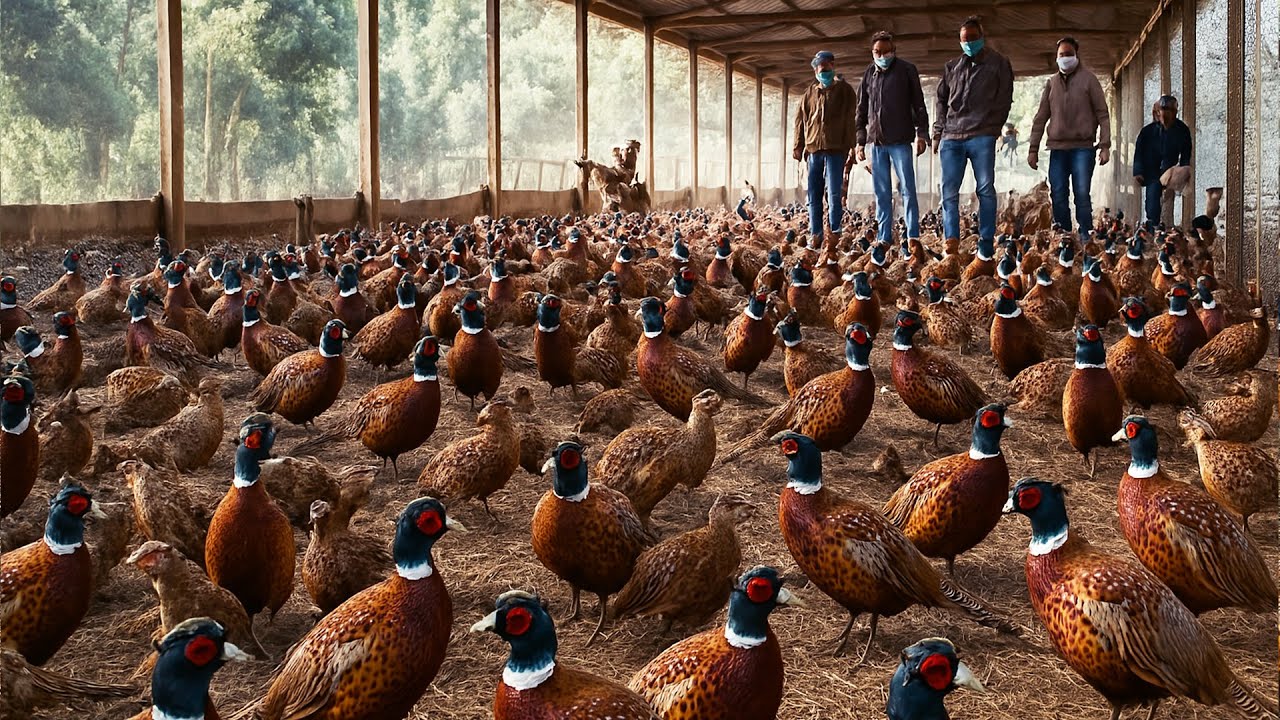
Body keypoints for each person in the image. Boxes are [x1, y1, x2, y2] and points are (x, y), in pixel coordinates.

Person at [932, 16, 1014, 244]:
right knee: (948, 192)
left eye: (973, 38)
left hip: (982, 135)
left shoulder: (998, 63)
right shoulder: (952, 67)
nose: (969, 43)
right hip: (952, 136)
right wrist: (938, 132)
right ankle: (951, 241)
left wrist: (994, 128)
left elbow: (1004, 98)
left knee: (985, 188)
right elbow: (941, 100)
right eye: (964, 39)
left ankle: (986, 239)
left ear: (982, 36)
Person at [1027, 37, 1111, 240]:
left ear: (1076, 55)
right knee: (1058, 194)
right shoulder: (1051, 83)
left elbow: (1102, 113)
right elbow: (1041, 117)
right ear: (1056, 58)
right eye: (1061, 55)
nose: (1065, 58)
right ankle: (1064, 237)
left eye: (1068, 54)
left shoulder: (1089, 80)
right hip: (1057, 149)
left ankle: (1085, 237)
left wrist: (1105, 145)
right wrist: (1033, 148)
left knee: (1081, 194)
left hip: (1083, 147)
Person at [854, 31, 929, 242]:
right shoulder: (869, 74)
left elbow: (918, 104)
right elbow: (861, 110)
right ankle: (884, 237)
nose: (882, 55)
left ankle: (912, 236)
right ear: (872, 52)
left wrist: (921, 133)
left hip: (901, 142)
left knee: (907, 189)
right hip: (876, 143)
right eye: (878, 52)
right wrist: (860, 141)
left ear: (894, 50)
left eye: (886, 52)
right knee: (882, 193)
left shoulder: (907, 70)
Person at [793, 50, 858, 248]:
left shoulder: (845, 91)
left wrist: (852, 148)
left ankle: (834, 232)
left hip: (836, 149)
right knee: (813, 194)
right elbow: (800, 121)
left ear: (833, 66)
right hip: (814, 150)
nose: (825, 71)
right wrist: (798, 146)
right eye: (821, 69)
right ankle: (816, 233)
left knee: (834, 193)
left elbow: (851, 120)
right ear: (815, 71)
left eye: (828, 67)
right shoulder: (809, 94)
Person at [1133, 94, 1192, 230]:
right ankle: (1153, 226)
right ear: (1158, 113)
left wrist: (1183, 171)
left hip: (1170, 171)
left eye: (1168, 112)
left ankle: (1167, 225)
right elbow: (1139, 152)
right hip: (1152, 170)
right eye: (1162, 111)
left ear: (1175, 112)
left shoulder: (1182, 130)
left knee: (1168, 201)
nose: (1165, 116)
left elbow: (1186, 153)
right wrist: (1138, 171)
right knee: (1152, 199)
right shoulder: (1147, 131)